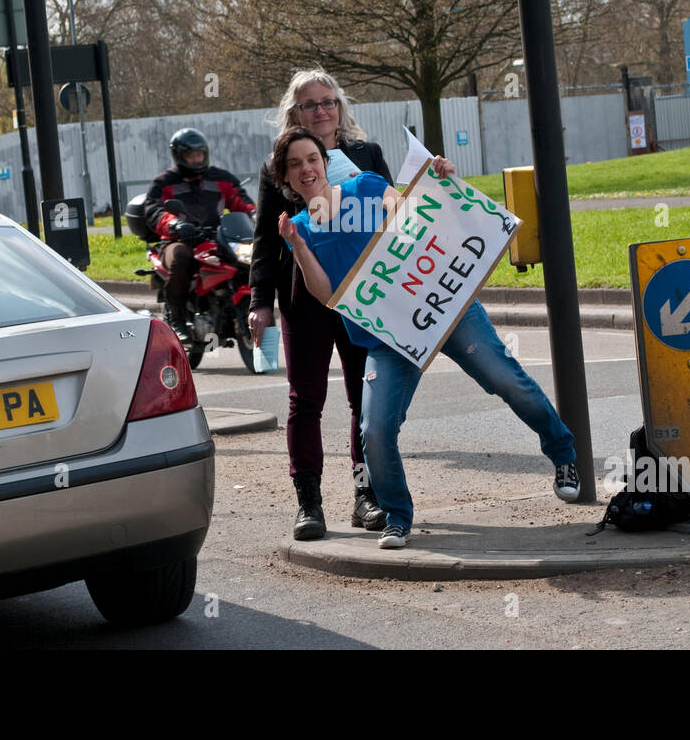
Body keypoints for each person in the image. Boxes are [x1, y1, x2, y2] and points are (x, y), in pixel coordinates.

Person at [272, 127, 580, 550]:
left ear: (325, 162)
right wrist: (296, 244)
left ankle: (563, 454)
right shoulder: (301, 228)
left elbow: (418, 218)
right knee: (375, 430)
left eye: (312, 158)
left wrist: (442, 183)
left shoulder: (366, 186)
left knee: (504, 379)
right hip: (386, 336)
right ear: (285, 179)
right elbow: (327, 296)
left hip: (443, 307)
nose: (306, 168)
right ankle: (397, 517)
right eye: (295, 164)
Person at [248, 70, 393, 541]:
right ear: (296, 113)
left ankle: (365, 496)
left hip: (360, 295)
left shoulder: (366, 156)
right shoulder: (281, 167)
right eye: (310, 104)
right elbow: (266, 242)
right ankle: (309, 503)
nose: (321, 110)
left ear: (340, 106)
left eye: (328, 101)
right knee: (305, 400)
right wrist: (260, 303)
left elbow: (398, 217)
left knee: (364, 398)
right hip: (303, 299)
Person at [142, 128, 254, 341]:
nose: (196, 159)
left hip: (217, 237)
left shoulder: (221, 177)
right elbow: (154, 211)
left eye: (200, 154)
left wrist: (255, 213)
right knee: (182, 257)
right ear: (178, 156)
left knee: (243, 260)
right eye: (191, 155)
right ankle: (177, 319)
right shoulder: (164, 182)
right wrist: (175, 224)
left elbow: (240, 199)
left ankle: (232, 304)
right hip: (177, 240)